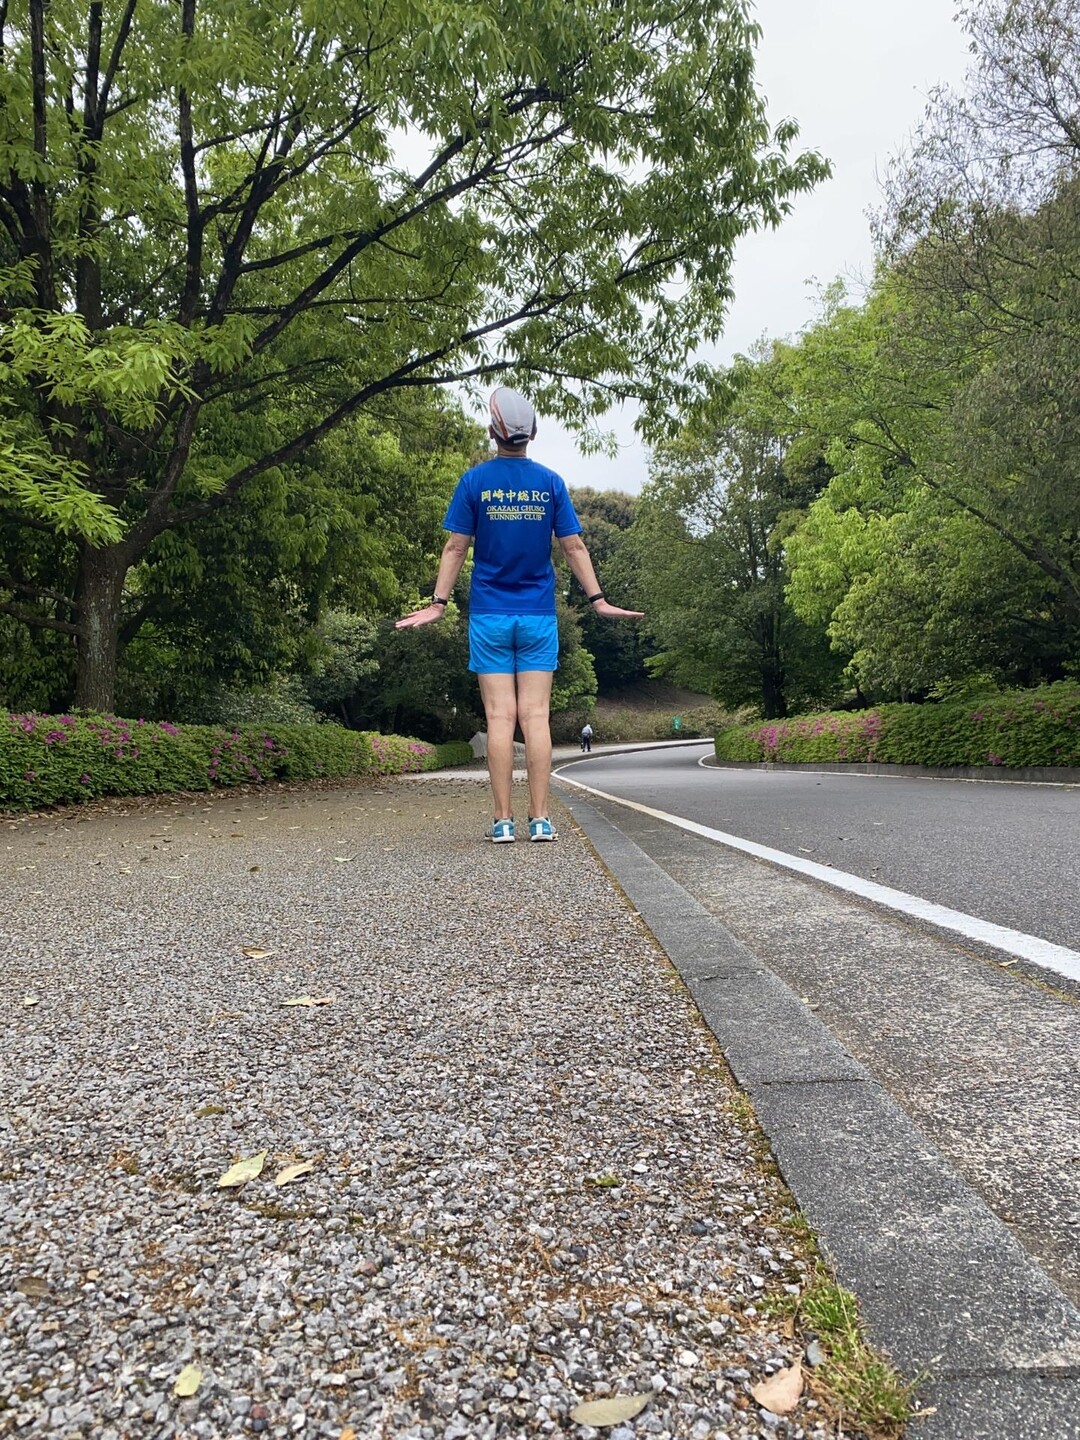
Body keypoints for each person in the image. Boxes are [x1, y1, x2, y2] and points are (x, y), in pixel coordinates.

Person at [396, 387, 643, 843]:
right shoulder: (551, 482)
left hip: (489, 615)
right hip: (538, 617)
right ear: (533, 434)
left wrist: (437, 604)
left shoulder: (474, 482)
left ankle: (503, 821)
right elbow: (574, 546)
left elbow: (455, 547)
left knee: (499, 719)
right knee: (535, 717)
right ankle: (541, 819)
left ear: (493, 433)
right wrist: (598, 600)